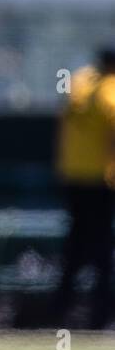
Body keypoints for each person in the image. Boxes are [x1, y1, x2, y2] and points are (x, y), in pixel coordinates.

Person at [52, 45, 115, 329]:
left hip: (73, 177)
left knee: (76, 246)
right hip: (101, 180)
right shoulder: (109, 89)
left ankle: (62, 309)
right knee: (100, 249)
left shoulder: (79, 80)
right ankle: (99, 315)